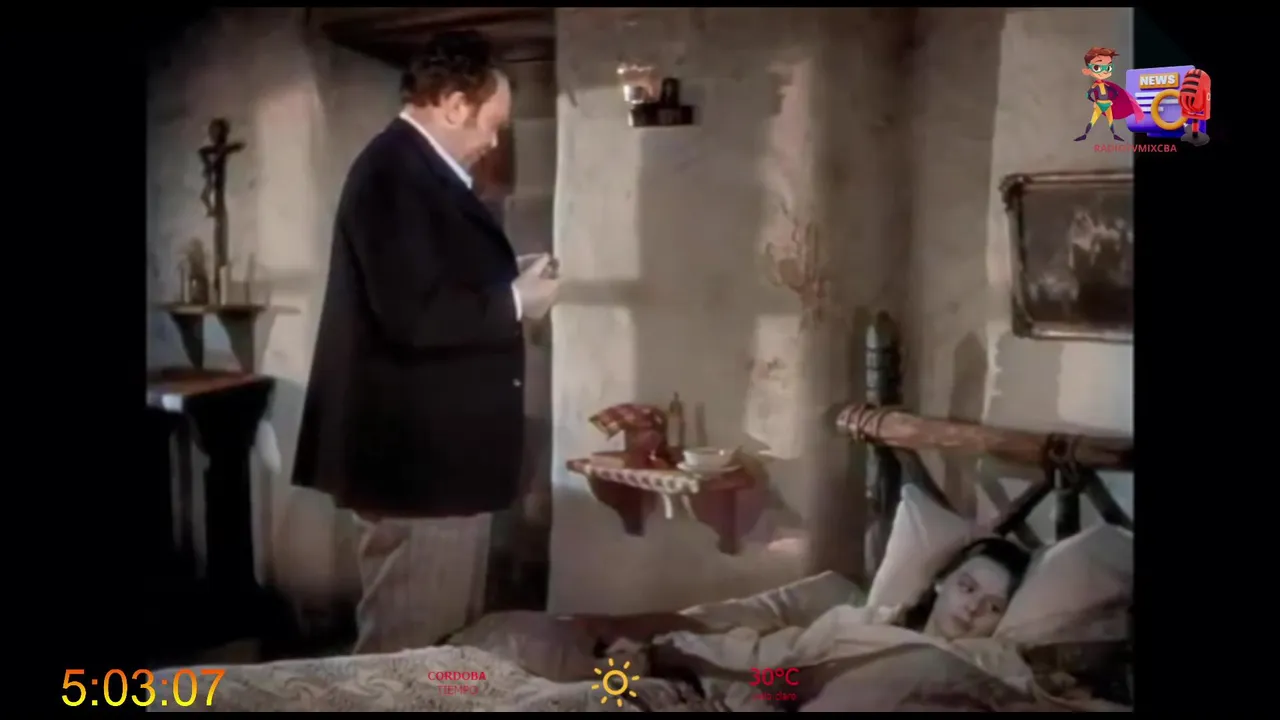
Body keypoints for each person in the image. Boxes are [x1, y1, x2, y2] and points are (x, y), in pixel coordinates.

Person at [292, 29, 563, 654]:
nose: (494, 141)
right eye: (492, 125)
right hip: (419, 468)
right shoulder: (394, 174)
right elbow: (414, 316)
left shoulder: (419, 173)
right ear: (454, 104)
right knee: (406, 650)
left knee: (439, 649)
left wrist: (506, 279)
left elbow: (427, 285)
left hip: (441, 465)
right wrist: (516, 302)